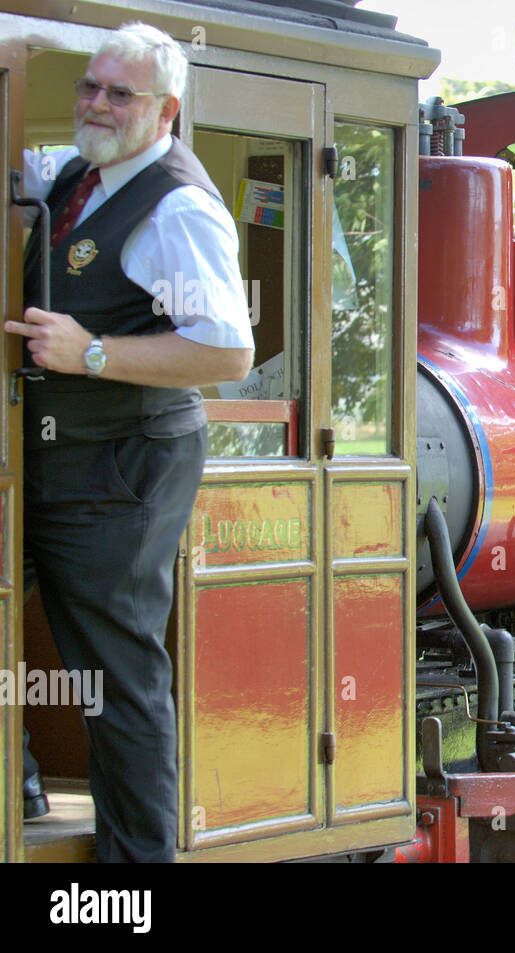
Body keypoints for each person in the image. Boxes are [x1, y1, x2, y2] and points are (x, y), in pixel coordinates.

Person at [6, 23, 253, 860]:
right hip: (46, 456)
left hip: (126, 468)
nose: (98, 104)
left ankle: (133, 887)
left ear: (167, 111)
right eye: (90, 87)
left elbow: (227, 348)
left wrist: (93, 353)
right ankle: (22, 779)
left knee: (118, 682)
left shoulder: (179, 204)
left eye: (121, 94)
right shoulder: (83, 173)